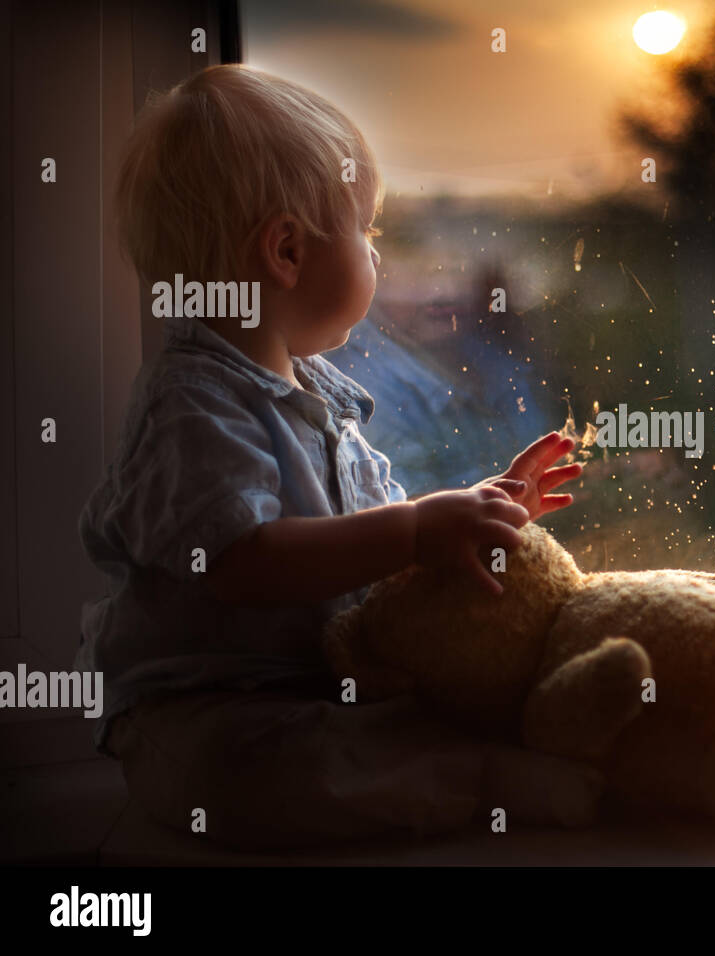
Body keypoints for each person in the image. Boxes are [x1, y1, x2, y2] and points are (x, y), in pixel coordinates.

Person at [75, 64, 602, 851]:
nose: (378, 255)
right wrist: (416, 531)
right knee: (271, 773)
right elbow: (241, 561)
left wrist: (472, 510)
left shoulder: (316, 396)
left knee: (389, 724)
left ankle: (479, 763)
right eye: (368, 231)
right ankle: (482, 782)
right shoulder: (189, 403)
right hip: (205, 714)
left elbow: (370, 537)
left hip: (313, 689)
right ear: (286, 251)